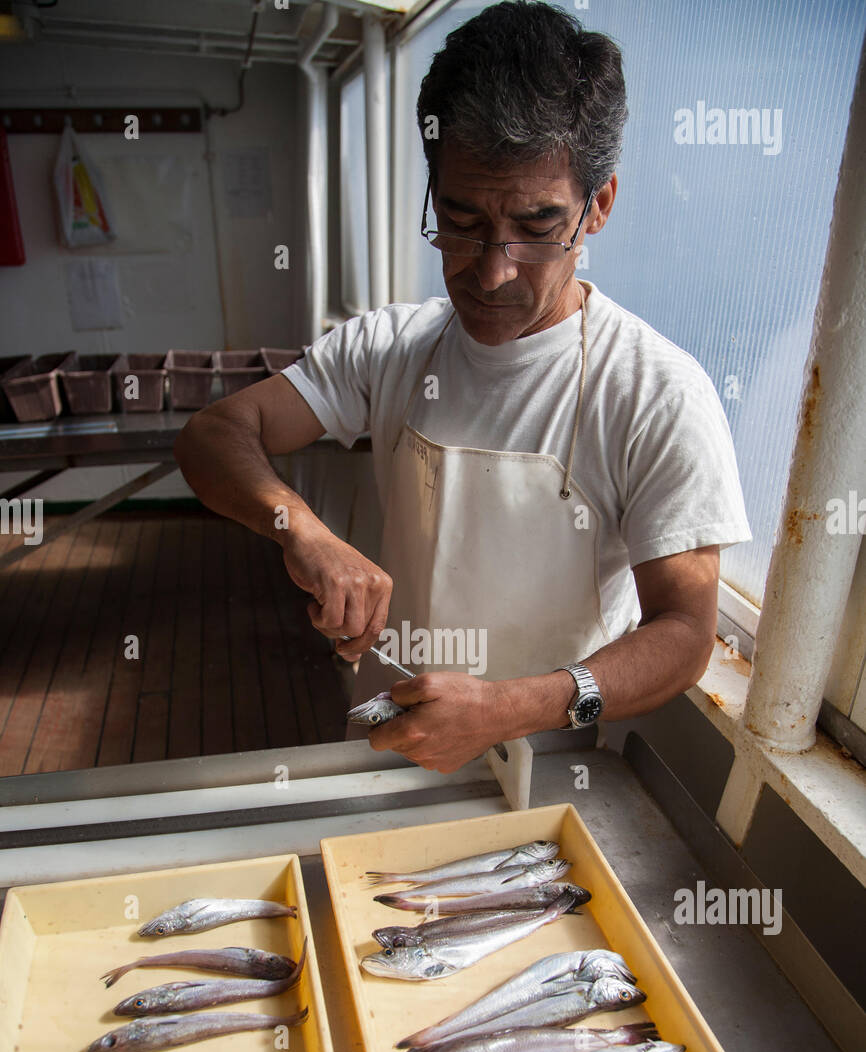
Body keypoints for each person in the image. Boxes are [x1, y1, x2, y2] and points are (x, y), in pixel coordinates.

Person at [175, 2, 751, 774]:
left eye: (538, 226)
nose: (491, 270)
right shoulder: (393, 345)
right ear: (434, 190)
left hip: (547, 777)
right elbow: (214, 434)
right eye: (461, 217)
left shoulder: (655, 393)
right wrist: (299, 527)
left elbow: (684, 634)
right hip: (387, 747)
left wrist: (508, 708)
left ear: (599, 206)